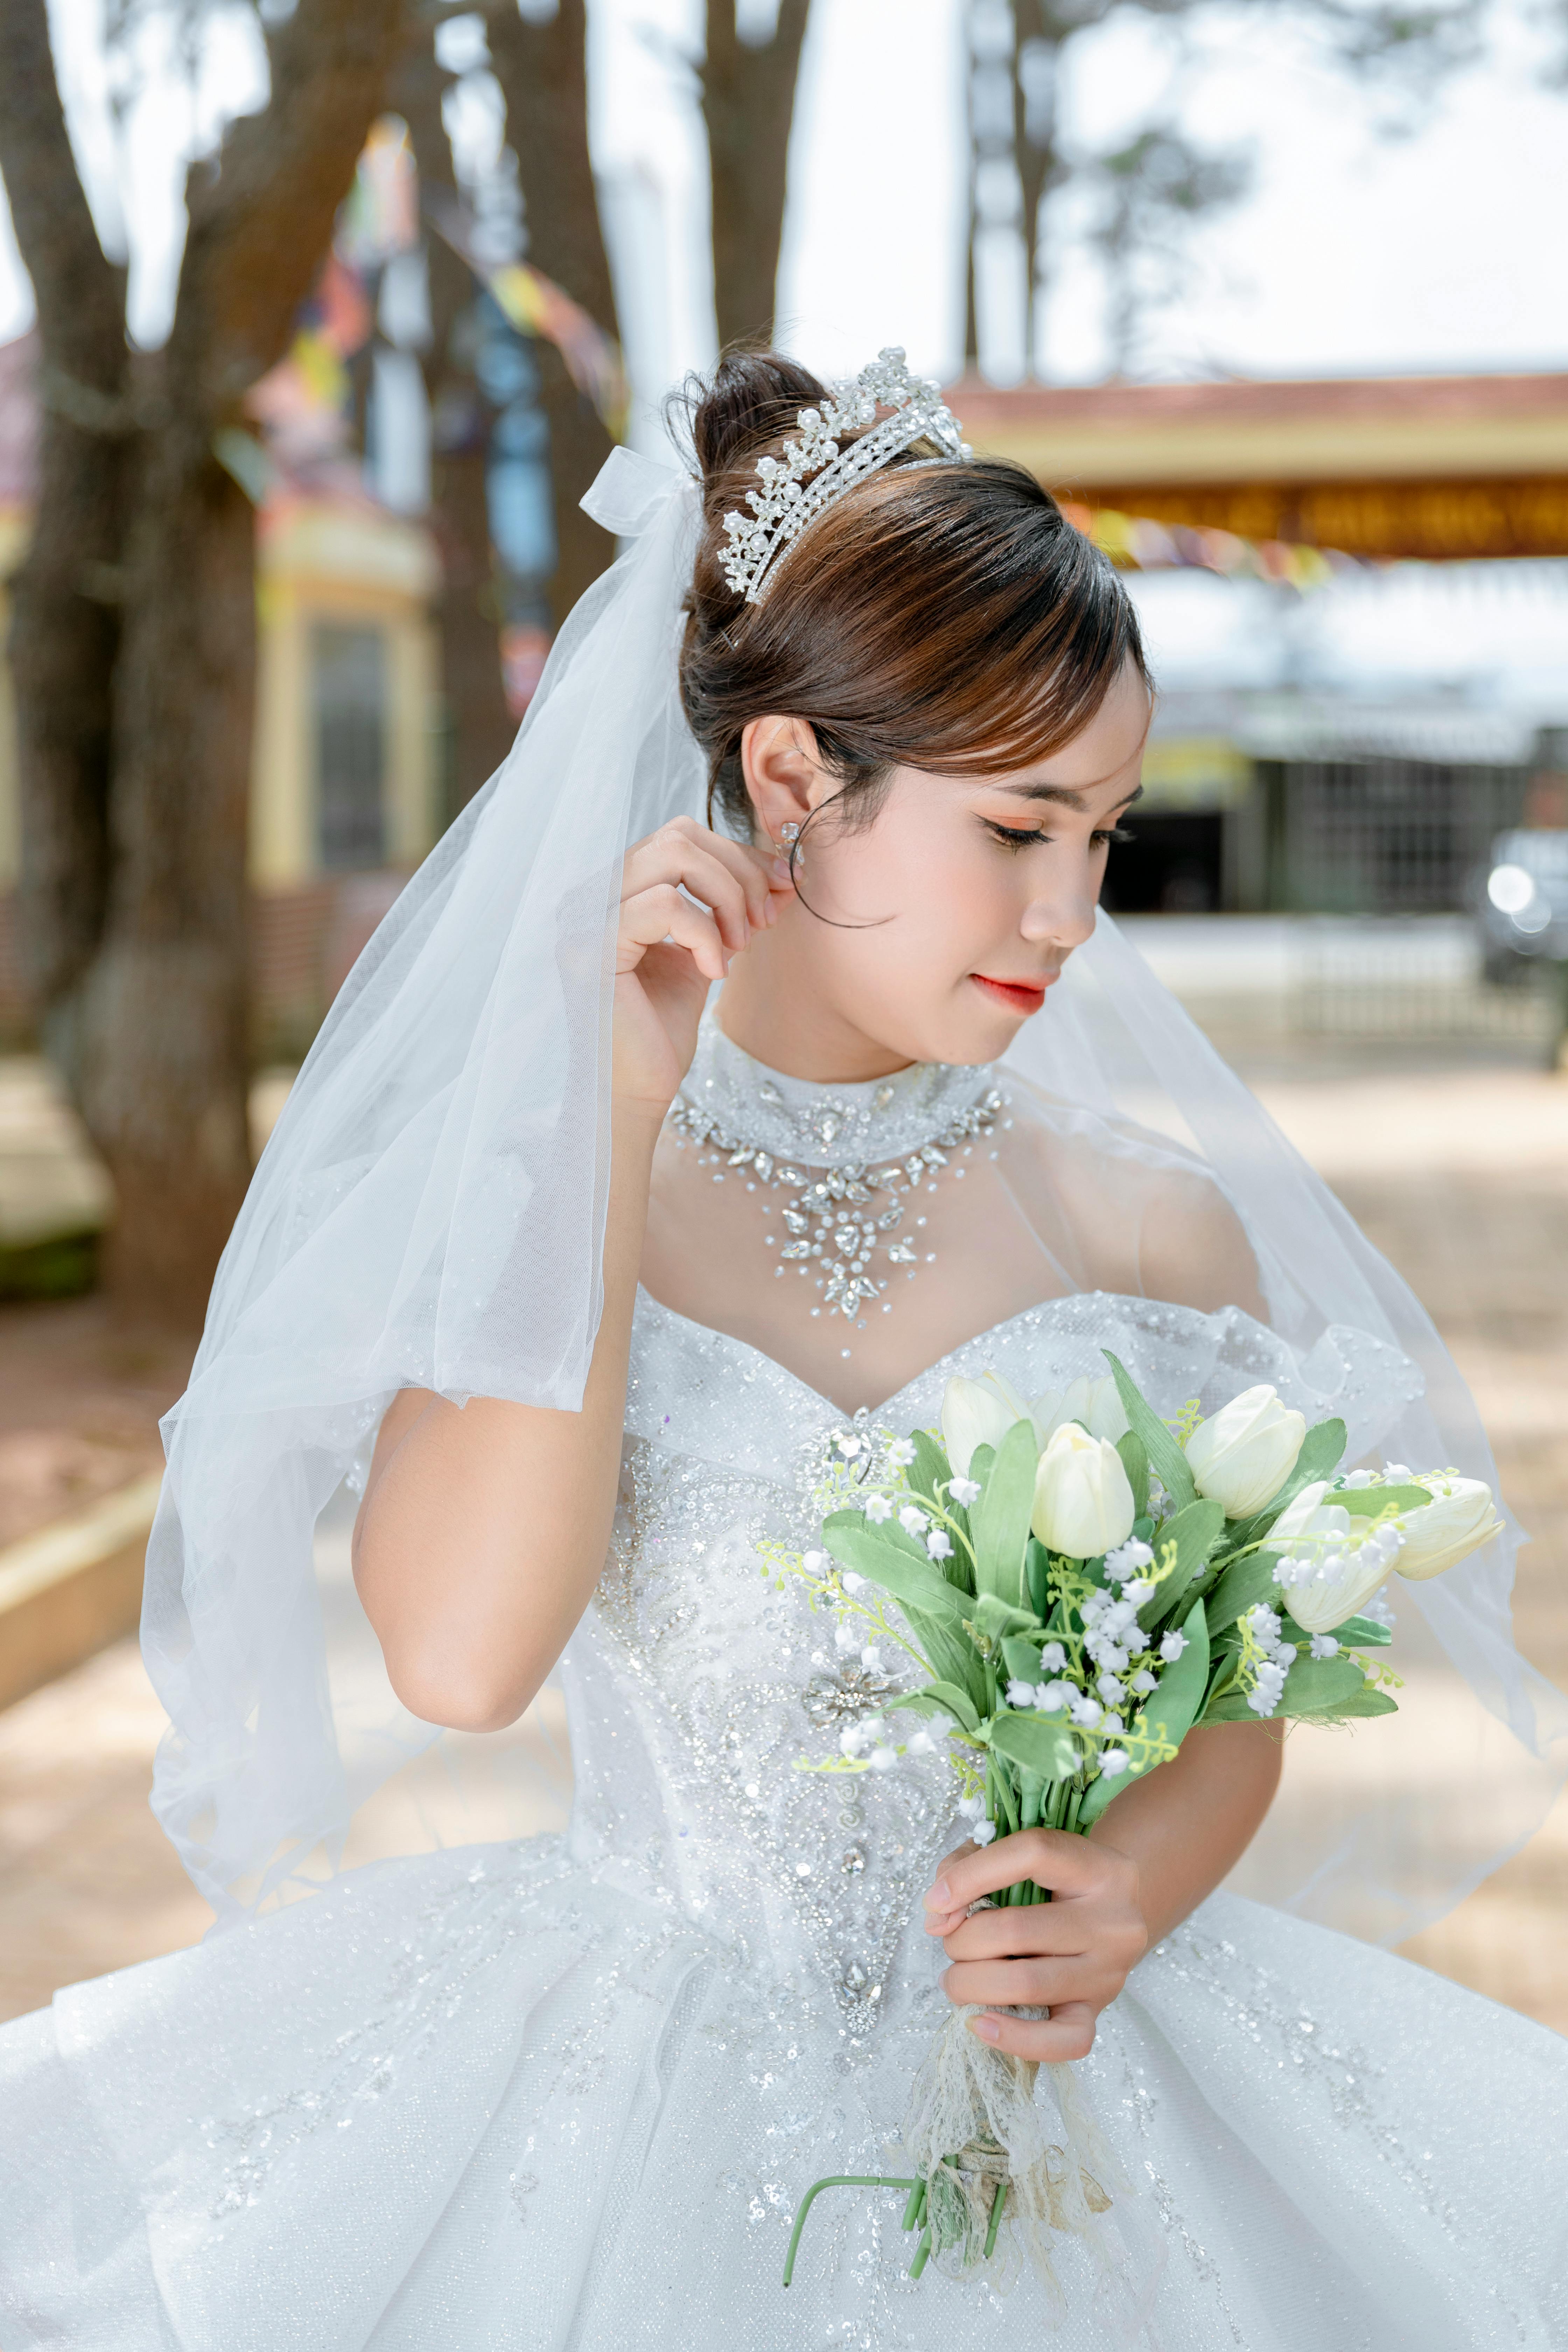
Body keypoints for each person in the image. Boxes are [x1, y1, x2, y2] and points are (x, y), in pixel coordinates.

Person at [1, 350, 1564, 2350]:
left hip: (1088, 2102)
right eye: (1019, 830)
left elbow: (1228, 1714)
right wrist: (611, 1119)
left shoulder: (1150, 1221)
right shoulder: (565, 1173)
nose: (1075, 911)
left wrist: (1136, 1888)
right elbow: (463, 1664)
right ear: (794, 780)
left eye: (1105, 834)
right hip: (637, 2096)